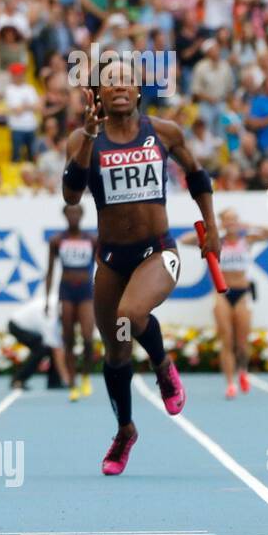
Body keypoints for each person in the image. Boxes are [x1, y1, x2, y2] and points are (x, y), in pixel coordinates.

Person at [62, 60, 219, 476]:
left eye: (126, 79)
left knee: (130, 316)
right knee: (114, 353)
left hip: (157, 250)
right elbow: (72, 196)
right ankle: (125, 430)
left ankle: (163, 366)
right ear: (96, 94)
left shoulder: (164, 132)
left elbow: (198, 176)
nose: (119, 86)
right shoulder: (83, 140)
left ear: (137, 90)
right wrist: (89, 138)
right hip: (111, 259)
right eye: (109, 80)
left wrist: (212, 227)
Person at [179, 209, 268, 400]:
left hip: (242, 293)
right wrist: (211, 230)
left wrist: (251, 225)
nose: (232, 223)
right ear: (222, 222)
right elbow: (184, 239)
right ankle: (230, 383)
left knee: (242, 342)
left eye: (235, 219)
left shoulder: (247, 240)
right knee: (227, 339)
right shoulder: (216, 241)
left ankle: (242, 370)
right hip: (222, 293)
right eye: (228, 220)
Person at [45, 202, 97, 401]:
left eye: (77, 213)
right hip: (66, 292)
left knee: (87, 337)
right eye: (70, 213)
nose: (73, 217)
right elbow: (50, 272)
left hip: (85, 292)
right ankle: (73, 383)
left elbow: (101, 267)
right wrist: (48, 301)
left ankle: (85, 376)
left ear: (82, 215)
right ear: (65, 215)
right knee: (68, 339)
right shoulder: (57, 241)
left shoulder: (92, 240)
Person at [8, 293, 68, 391]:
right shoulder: (51, 315)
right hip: (17, 325)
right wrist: (68, 379)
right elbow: (57, 350)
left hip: (29, 327)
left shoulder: (61, 303)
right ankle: (17, 380)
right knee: (41, 350)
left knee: (47, 347)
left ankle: (54, 382)